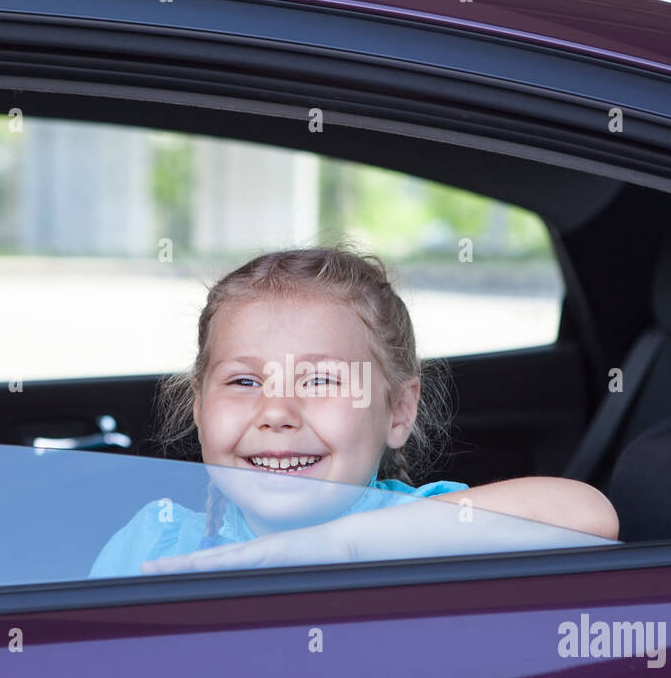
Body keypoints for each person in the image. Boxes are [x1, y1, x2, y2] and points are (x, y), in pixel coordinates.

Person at [91, 246, 618, 579]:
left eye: (320, 380)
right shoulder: (153, 542)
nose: (276, 411)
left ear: (398, 411)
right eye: (244, 381)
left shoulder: (426, 529)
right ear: (199, 407)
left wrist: (340, 546)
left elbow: (586, 518)